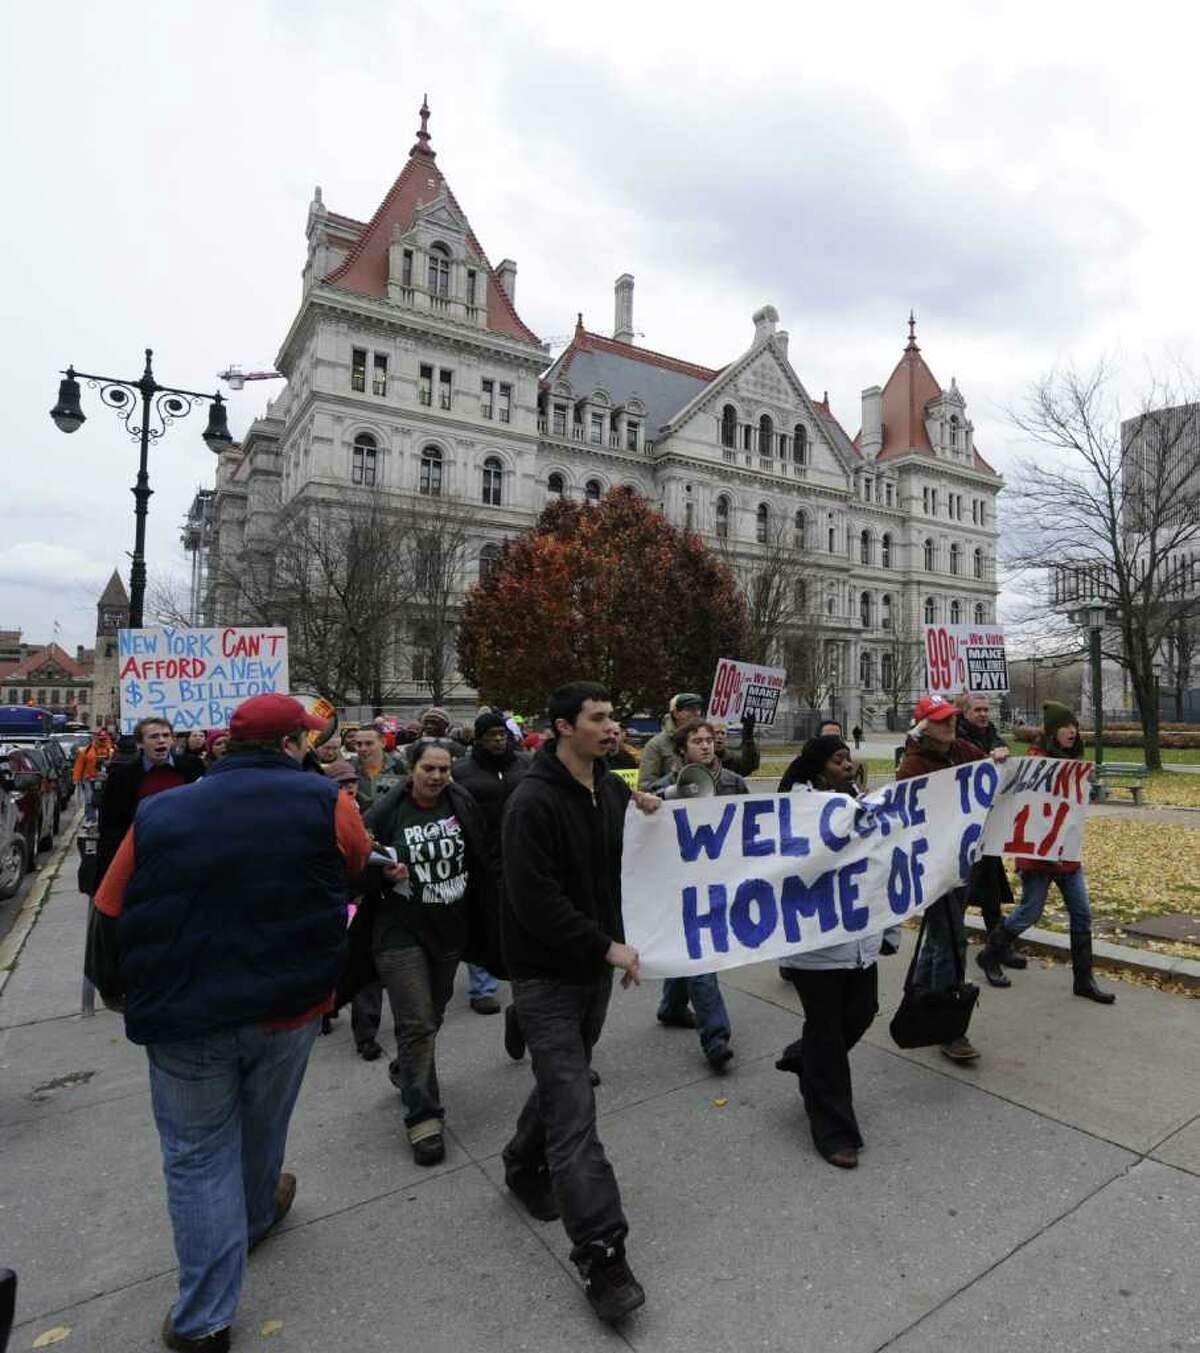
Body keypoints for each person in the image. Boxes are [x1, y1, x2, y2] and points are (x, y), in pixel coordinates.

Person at [89, 693, 371, 1352]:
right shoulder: (327, 802)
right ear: (286, 746)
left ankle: (204, 1318)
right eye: (303, 738)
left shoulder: (161, 810)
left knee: (196, 1155)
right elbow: (356, 865)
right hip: (287, 1004)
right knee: (262, 1124)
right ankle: (252, 1214)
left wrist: (114, 987)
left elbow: (109, 904)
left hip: (185, 1009)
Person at [501, 681, 660, 1323]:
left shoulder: (610, 786)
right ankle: (602, 1253)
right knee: (574, 1110)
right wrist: (606, 947)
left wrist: (648, 806)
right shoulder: (531, 802)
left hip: (593, 970)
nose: (611, 726)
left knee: (559, 1081)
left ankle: (518, 1162)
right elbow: (535, 900)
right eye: (598, 718)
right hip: (544, 977)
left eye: (613, 716)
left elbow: (623, 862)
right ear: (564, 726)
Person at [362, 739, 495, 1165]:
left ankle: (407, 1069)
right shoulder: (385, 812)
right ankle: (423, 1117)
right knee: (417, 1022)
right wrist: (383, 874)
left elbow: (481, 854)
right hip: (399, 931)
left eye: (444, 769)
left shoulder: (462, 803)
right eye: (428, 770)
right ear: (410, 769)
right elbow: (354, 862)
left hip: (450, 930)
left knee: (432, 1014)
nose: (437, 777)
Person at [776, 734, 899, 1169]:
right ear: (817, 767)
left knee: (862, 1012)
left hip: (861, 938)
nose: (847, 764)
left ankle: (804, 1058)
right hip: (817, 942)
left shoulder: (861, 801)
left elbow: (880, 863)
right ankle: (834, 1131)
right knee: (827, 1031)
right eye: (837, 758)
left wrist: (889, 924)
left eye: (849, 757)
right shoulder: (795, 808)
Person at [975, 702, 1115, 1005]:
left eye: (1075, 727)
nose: (1073, 731)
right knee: (1030, 911)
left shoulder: (1074, 760)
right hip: (1039, 855)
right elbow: (1015, 794)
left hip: (1067, 853)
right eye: (1067, 726)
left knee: (1082, 914)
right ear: (1053, 730)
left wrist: (1085, 783)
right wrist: (997, 761)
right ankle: (990, 954)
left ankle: (1083, 980)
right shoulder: (1035, 760)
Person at [895, 694, 985, 1062]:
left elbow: (990, 772)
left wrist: (997, 761)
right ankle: (950, 1028)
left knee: (939, 936)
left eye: (951, 718)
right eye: (941, 720)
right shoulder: (912, 768)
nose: (949, 724)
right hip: (934, 868)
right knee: (952, 941)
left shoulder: (962, 749)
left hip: (963, 862)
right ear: (923, 727)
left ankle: (922, 995)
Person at [652, 720, 742, 1072]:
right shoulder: (663, 789)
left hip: (717, 879)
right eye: (696, 741)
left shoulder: (733, 783)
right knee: (699, 954)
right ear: (682, 749)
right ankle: (715, 1037)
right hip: (680, 884)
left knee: (687, 951)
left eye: (709, 740)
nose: (705, 746)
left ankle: (672, 1006)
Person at [451, 710, 531, 1015]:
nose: (498, 740)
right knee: (484, 917)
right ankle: (482, 987)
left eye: (502, 734)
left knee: (522, 915)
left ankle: (521, 970)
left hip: (521, 853)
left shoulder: (525, 764)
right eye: (491, 736)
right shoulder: (462, 771)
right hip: (481, 856)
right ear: (479, 739)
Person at [955, 695, 1022, 985]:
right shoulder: (957, 739)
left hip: (989, 828)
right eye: (977, 710)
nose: (983, 714)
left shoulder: (991, 734)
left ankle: (997, 948)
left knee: (992, 891)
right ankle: (951, 949)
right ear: (964, 713)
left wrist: (1001, 752)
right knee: (960, 893)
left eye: (986, 709)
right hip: (962, 832)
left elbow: (1002, 754)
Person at [96, 717, 205, 888]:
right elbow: (110, 826)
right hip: (141, 861)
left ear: (172, 740)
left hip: (186, 857)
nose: (161, 740)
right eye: (154, 736)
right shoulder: (122, 777)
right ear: (140, 743)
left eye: (166, 735)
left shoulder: (193, 767)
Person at [636, 692, 703, 788]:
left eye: (698, 709)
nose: (696, 713)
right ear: (675, 713)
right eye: (689, 709)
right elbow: (646, 785)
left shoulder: (705, 740)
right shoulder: (656, 745)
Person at [350, 724, 406, 812]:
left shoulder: (399, 766)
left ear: (383, 742)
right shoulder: (348, 769)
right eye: (359, 744)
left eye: (369, 743)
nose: (363, 748)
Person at [72, 729, 113, 823]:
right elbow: (79, 765)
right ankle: (91, 819)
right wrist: (76, 779)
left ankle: (103, 820)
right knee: (89, 799)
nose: (102, 741)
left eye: (104, 739)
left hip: (105, 780)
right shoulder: (86, 751)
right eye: (100, 739)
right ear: (95, 738)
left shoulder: (110, 751)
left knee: (105, 800)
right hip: (89, 779)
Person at [403, 706, 468, 764]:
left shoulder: (457, 749)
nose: (429, 726)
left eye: (435, 722)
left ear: (446, 725)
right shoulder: (413, 747)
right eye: (426, 723)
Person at [710, 712, 760, 776]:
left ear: (726, 737)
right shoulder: (702, 758)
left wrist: (748, 735)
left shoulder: (732, 759)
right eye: (716, 733)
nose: (720, 736)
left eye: (722, 733)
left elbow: (749, 765)